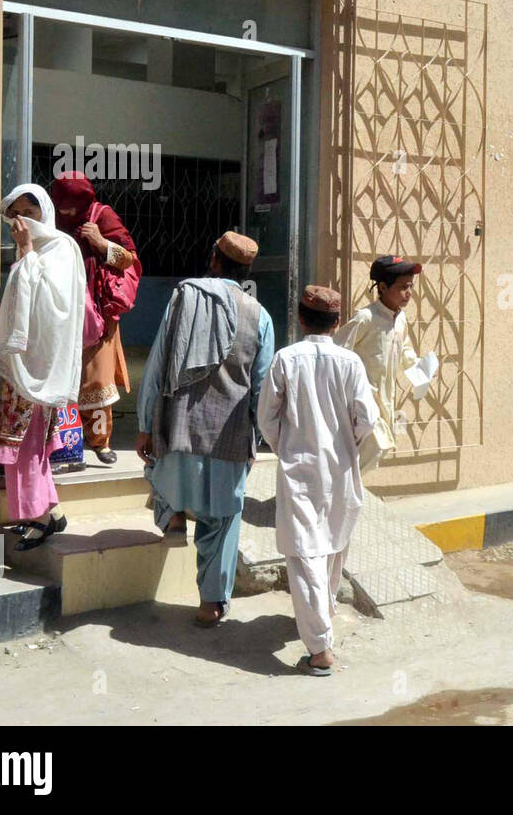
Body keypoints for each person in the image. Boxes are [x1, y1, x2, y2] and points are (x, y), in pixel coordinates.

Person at [134, 232, 274, 627]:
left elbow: (160, 361)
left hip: (178, 423)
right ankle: (211, 602)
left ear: (214, 260)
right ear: (246, 270)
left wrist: (146, 424)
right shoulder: (259, 315)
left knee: (165, 472)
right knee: (223, 516)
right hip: (229, 432)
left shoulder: (185, 296)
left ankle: (173, 515)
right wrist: (257, 439)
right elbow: (261, 386)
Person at [258, 285, 378, 676]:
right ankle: (320, 621)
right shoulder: (351, 363)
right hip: (341, 469)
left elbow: (266, 418)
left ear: (300, 318)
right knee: (332, 544)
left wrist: (286, 446)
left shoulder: (285, 359)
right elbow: (368, 418)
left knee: (305, 552)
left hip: (300, 469)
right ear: (338, 322)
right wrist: (348, 445)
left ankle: (321, 648)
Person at [0, 183, 85, 551]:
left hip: (41, 368)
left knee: (27, 446)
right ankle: (50, 512)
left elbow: (55, 309)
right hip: (24, 368)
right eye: (17, 216)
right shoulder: (36, 250)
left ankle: (38, 517)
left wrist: (28, 253)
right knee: (22, 443)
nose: (24, 222)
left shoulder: (60, 247)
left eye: (30, 213)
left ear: (44, 212)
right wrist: (27, 255)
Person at [50, 171, 141, 464]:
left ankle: (100, 442)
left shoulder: (101, 215)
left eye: (74, 206)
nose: (67, 212)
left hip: (98, 314)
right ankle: (63, 441)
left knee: (99, 381)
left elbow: (130, 259)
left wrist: (101, 243)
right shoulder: (49, 220)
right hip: (61, 311)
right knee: (62, 378)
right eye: (63, 205)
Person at [333, 256, 423, 472]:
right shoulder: (366, 318)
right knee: (375, 444)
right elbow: (337, 353)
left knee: (373, 450)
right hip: (363, 401)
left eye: (410, 287)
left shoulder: (400, 319)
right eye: (402, 287)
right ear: (382, 287)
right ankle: (341, 493)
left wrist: (421, 369)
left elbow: (405, 350)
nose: (408, 293)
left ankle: (342, 493)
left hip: (386, 401)